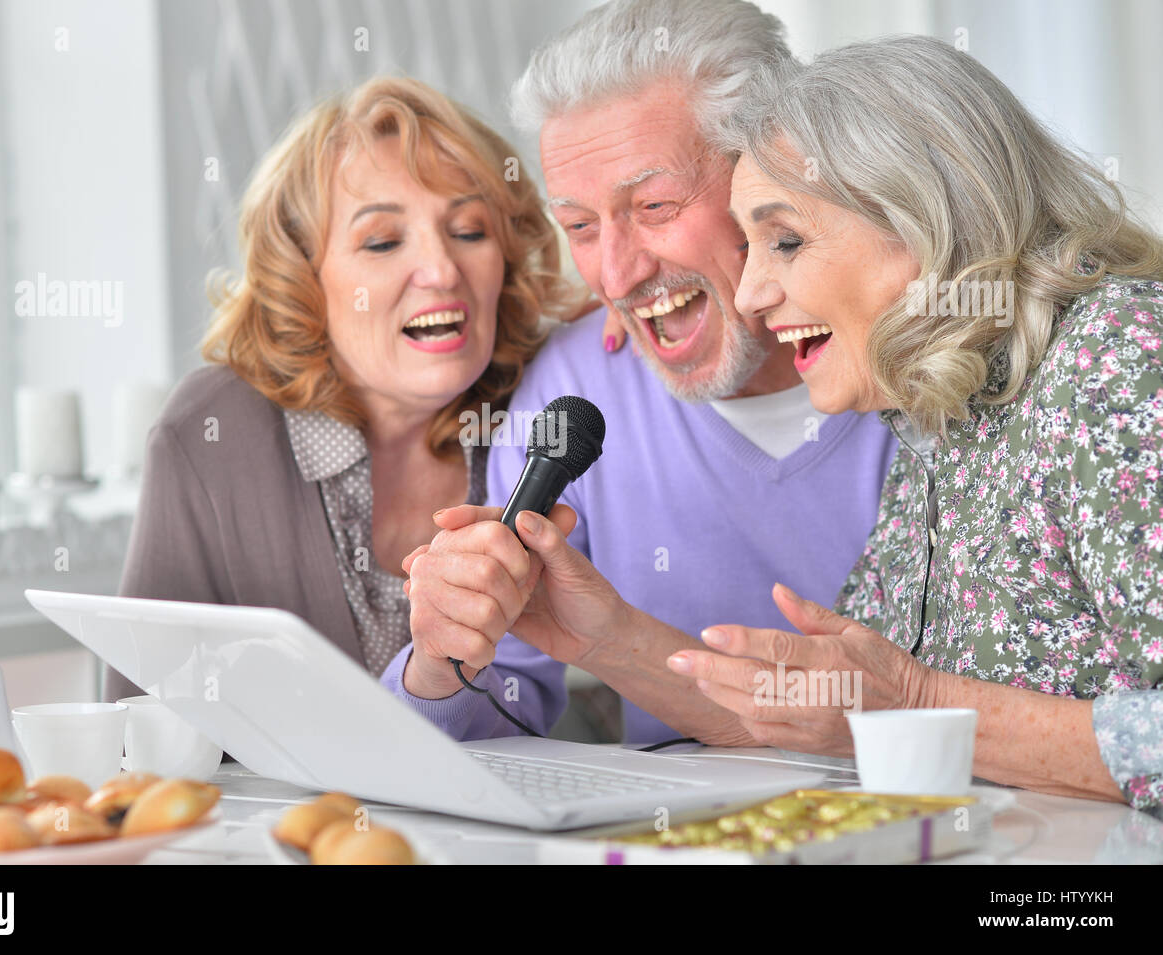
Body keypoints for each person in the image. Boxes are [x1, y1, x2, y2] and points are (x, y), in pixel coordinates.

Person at [409, 34, 1163, 816]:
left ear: (923, 218)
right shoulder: (936, 418)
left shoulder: (1118, 356)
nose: (751, 293)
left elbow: (894, 707)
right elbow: (826, 715)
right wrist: (603, 638)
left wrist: (913, 699)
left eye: (787, 240)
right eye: (581, 225)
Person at [384, 0, 899, 743]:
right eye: (582, 228)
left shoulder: (922, 363)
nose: (617, 273)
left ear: (774, 169)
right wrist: (440, 660)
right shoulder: (576, 396)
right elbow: (500, 705)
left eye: (655, 205)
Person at [103, 75, 581, 702]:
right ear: (303, 276)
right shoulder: (210, 433)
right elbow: (132, 733)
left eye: (469, 230)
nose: (442, 270)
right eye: (382, 241)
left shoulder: (545, 412)